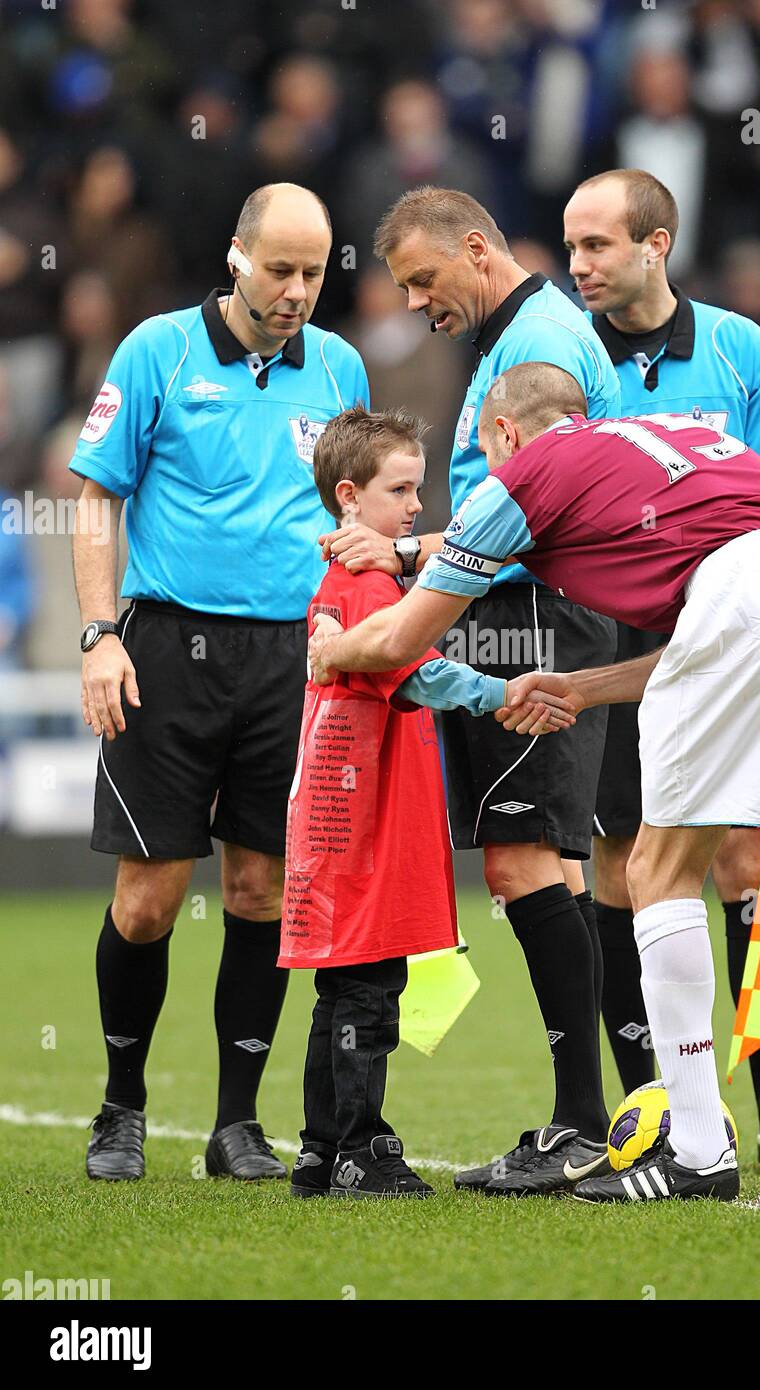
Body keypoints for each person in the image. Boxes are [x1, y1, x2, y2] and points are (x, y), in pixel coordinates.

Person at [308, 365, 760, 1204]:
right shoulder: (682, 436)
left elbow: (400, 640)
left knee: (653, 873)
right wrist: (584, 688)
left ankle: (699, 1152)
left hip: (758, 591)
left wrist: (330, 648)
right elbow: (712, 636)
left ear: (504, 434)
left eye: (483, 449)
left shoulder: (518, 474)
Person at [562, 166, 760, 1173]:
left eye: (598, 245)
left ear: (659, 241)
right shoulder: (567, 361)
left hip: (741, 648)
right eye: (571, 247)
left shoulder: (740, 348)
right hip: (613, 645)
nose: (580, 266)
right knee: (620, 865)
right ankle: (658, 1109)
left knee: (746, 862)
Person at [325, 187, 621, 1195]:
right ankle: (604, 1112)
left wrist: (404, 547)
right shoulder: (523, 336)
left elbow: (539, 510)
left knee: (522, 868)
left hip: (530, 618)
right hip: (537, 613)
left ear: (478, 247)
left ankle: (583, 1121)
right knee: (563, 875)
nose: (414, 302)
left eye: (423, 279)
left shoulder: (537, 346)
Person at [71, 183, 369, 1182]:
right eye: (279, 269)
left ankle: (236, 1122)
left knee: (260, 890)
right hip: (165, 653)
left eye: (315, 273)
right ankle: (121, 1107)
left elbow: (354, 517)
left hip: (291, 660)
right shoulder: (156, 349)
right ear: (236, 255)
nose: (296, 291)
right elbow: (93, 500)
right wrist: (98, 637)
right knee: (149, 901)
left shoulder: (338, 366)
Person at [285, 405, 568, 1199]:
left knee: (345, 982)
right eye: (400, 490)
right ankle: (359, 1148)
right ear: (350, 497)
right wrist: (500, 690)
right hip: (363, 815)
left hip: (342, 810)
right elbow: (418, 671)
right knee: (368, 989)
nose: (416, 506)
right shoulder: (371, 582)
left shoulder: (356, 578)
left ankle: (319, 1149)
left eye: (419, 487)